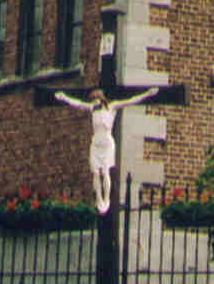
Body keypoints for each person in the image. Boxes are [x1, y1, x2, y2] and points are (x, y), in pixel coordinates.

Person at [53, 84, 161, 213]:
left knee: (105, 172)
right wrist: (64, 98)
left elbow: (131, 100)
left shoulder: (112, 107)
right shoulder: (93, 108)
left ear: (102, 98)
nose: (95, 101)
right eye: (93, 99)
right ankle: (99, 199)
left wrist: (147, 94)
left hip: (106, 142)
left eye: (97, 98)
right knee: (96, 173)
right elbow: (78, 104)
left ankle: (106, 199)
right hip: (96, 142)